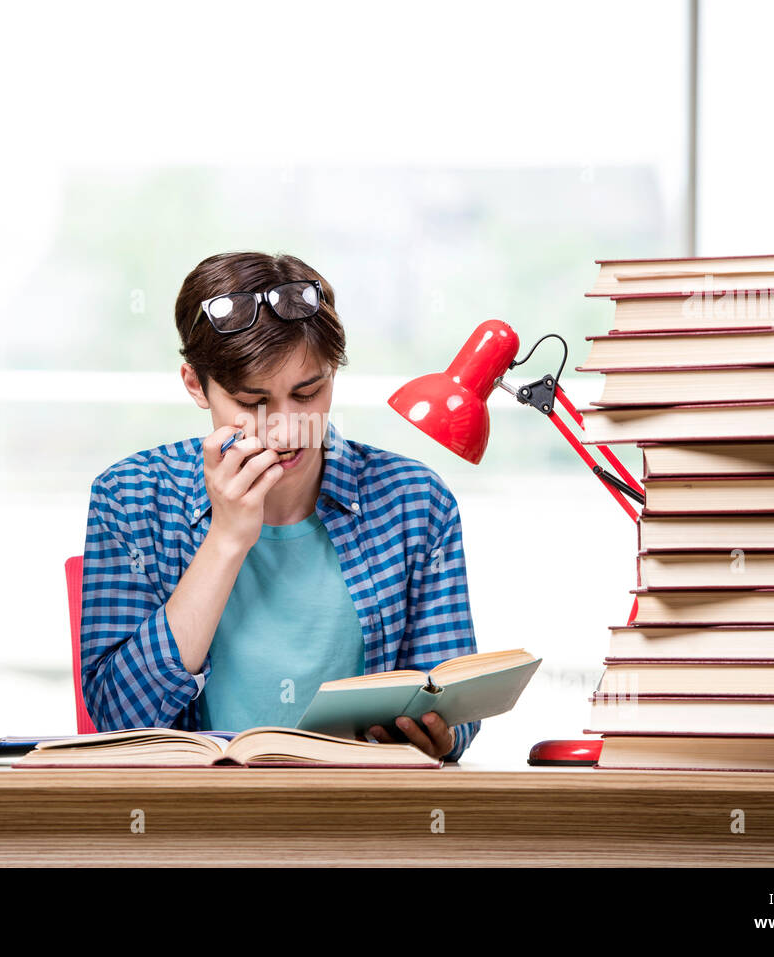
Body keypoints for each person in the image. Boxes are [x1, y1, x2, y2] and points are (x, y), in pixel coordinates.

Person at [79, 251, 480, 760]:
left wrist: (442, 734)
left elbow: (455, 704)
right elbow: (117, 719)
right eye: (252, 403)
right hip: (191, 818)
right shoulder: (129, 496)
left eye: (307, 392)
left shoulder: (415, 501)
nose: (286, 429)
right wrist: (225, 540)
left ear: (333, 372)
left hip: (364, 813)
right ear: (194, 385)